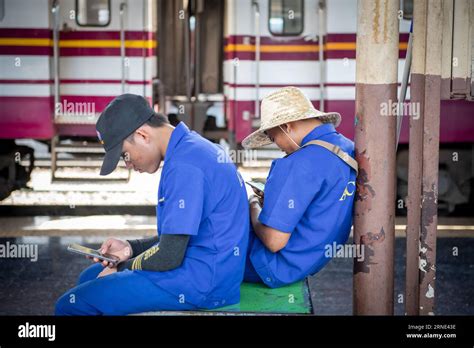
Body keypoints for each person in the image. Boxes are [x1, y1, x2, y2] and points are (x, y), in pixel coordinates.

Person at [55, 94, 249, 315]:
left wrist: (122, 267)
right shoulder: (189, 147)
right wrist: (131, 247)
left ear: (142, 135)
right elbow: (179, 236)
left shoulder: (184, 166)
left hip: (202, 283)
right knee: (88, 277)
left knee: (70, 305)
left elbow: (169, 256)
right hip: (205, 268)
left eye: (125, 155)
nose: (128, 164)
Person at [241, 86, 357, 288]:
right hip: (307, 262)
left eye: (271, 136)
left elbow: (274, 241)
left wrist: (253, 205)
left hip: (271, 267)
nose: (275, 143)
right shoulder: (347, 147)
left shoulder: (297, 163)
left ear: (286, 126)